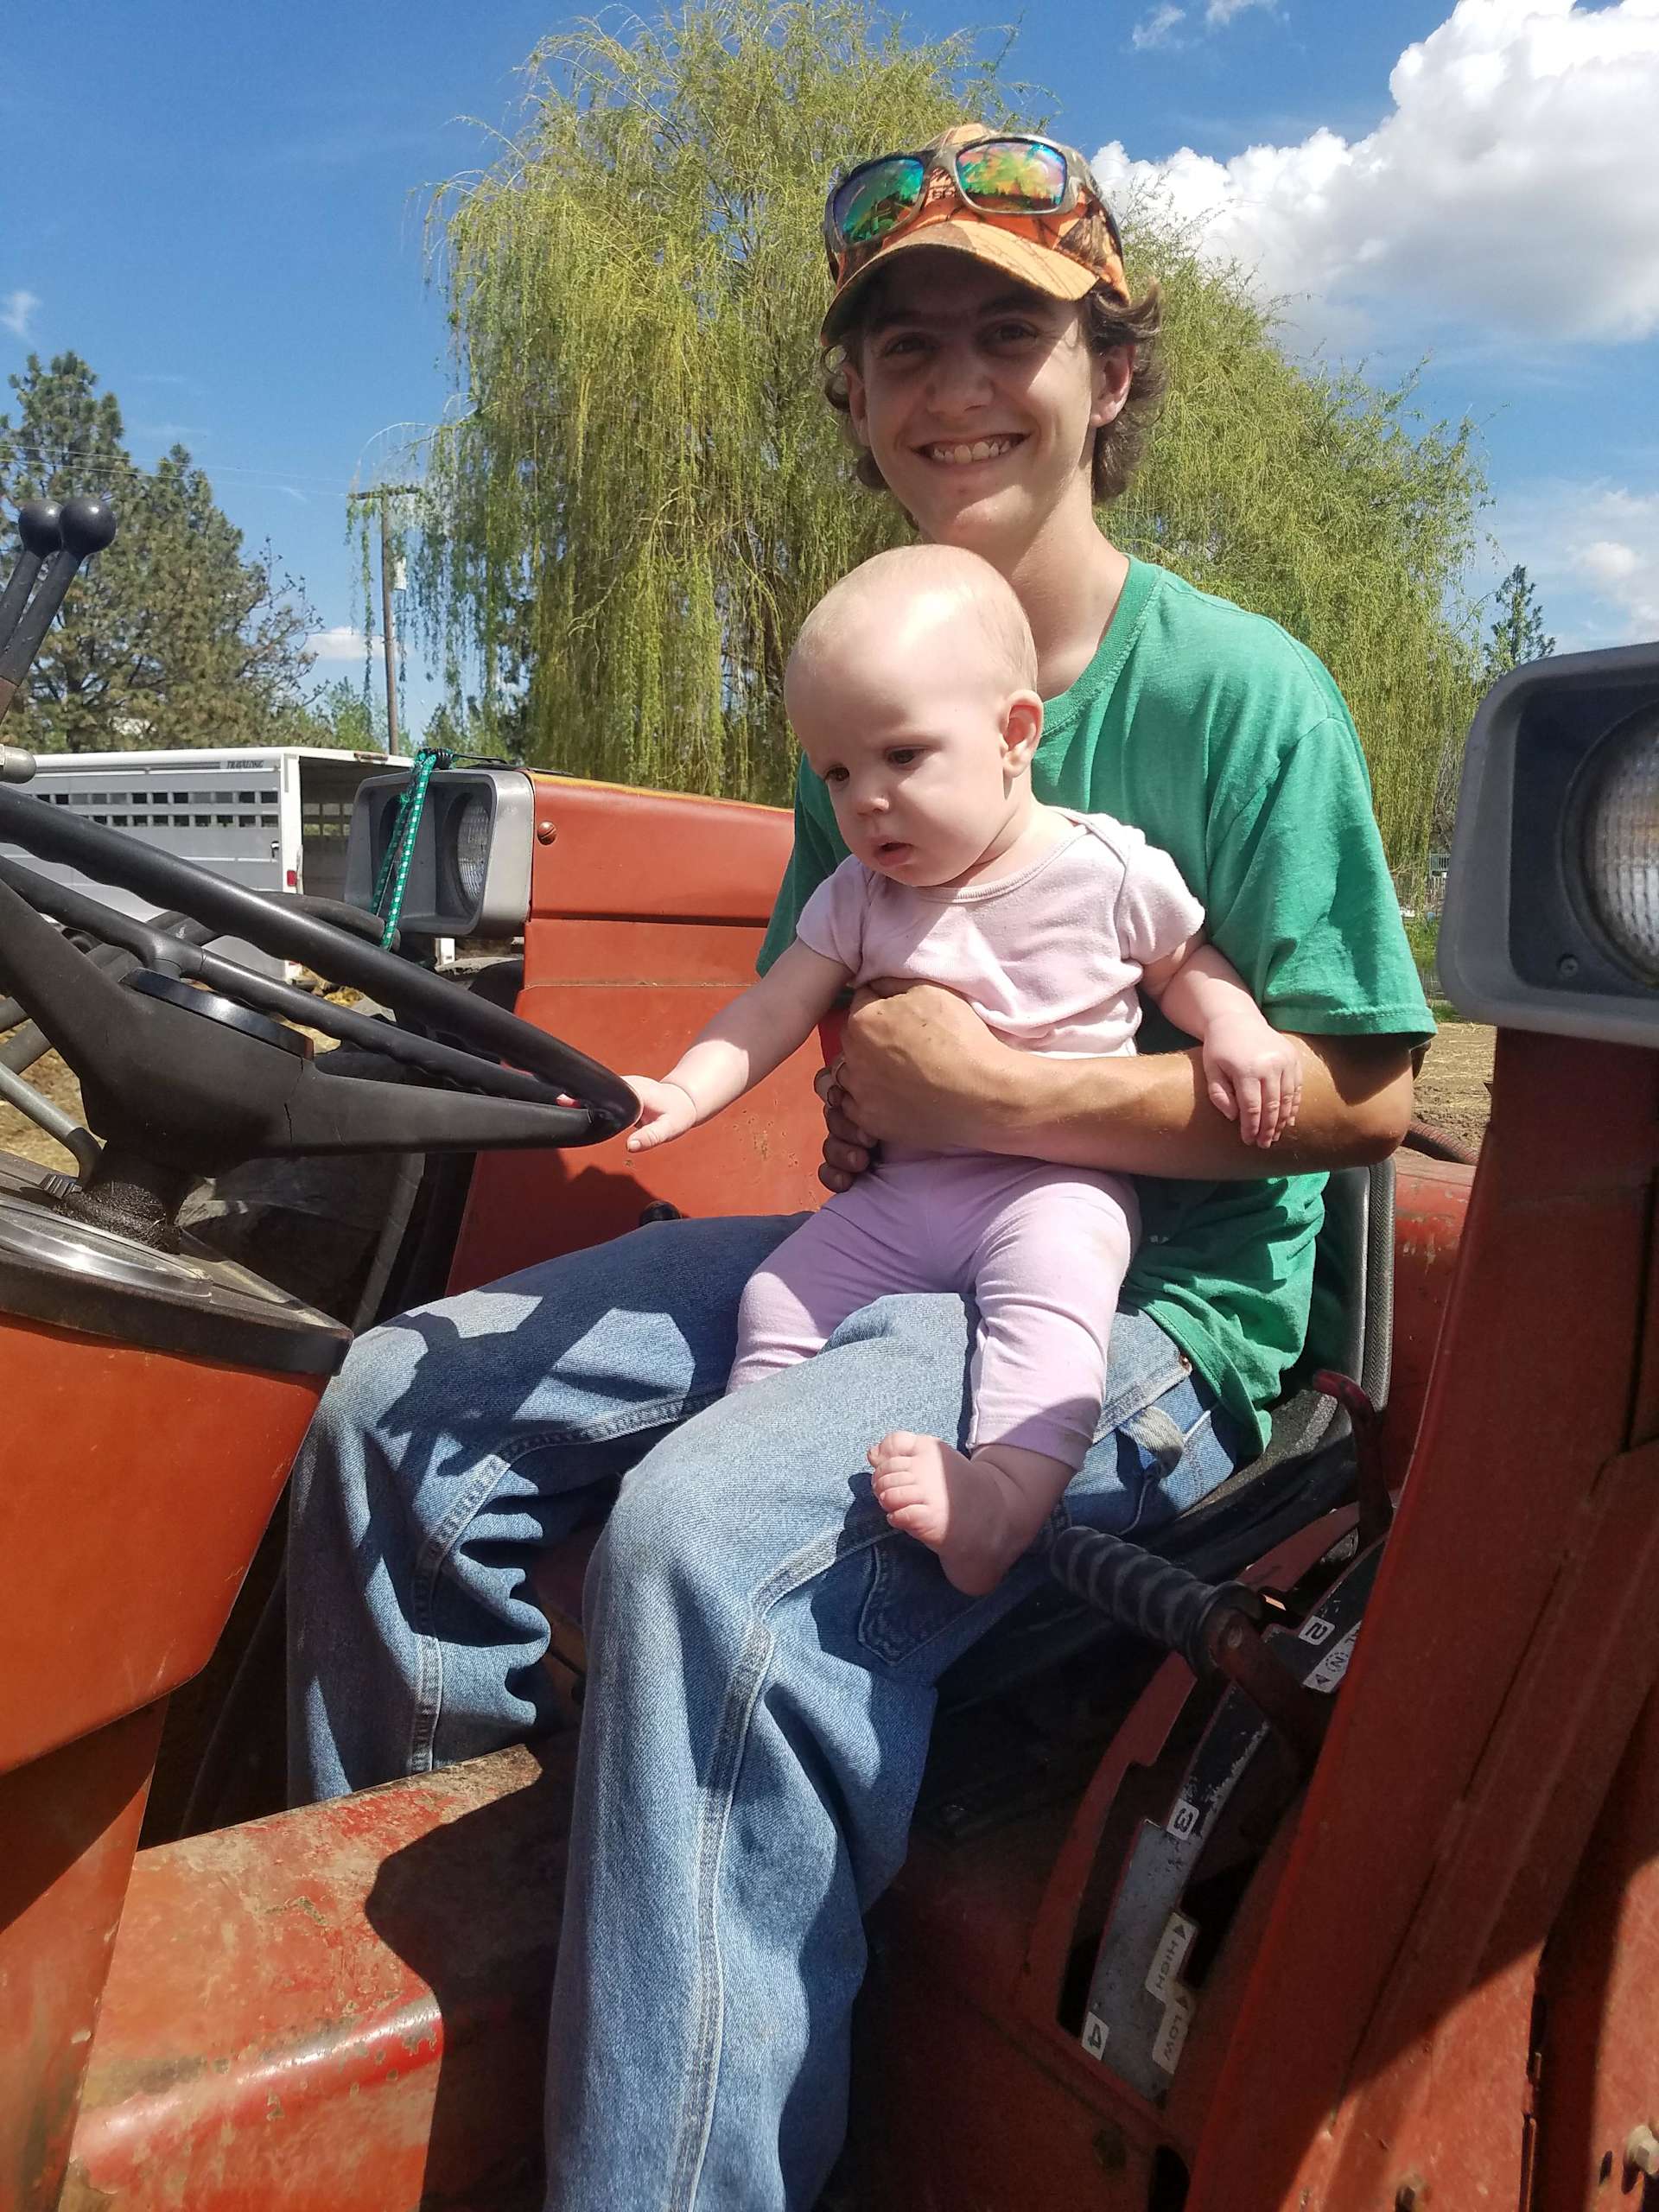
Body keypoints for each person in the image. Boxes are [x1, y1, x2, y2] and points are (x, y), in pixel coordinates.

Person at [286, 123, 1432, 2211]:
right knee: (400, 1410)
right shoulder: (863, 696)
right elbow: (833, 1018)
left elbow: (1364, 1088)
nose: (954, 386)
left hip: (1141, 1313)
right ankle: (476, 2032)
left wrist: (998, 1094)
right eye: (903, 346)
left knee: (713, 1540)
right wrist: (786, 1093)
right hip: (883, 1244)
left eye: (1013, 330)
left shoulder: (1242, 696)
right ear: (854, 399)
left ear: (1111, 370)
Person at [626, 541, 1301, 1597]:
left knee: (1052, 1313)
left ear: (1013, 736)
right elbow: (770, 1007)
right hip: (906, 1193)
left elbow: (1184, 966)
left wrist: (1239, 1031)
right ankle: (746, 1446)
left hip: (1052, 1183)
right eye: (840, 774)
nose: (868, 802)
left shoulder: (1101, 866)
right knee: (781, 1296)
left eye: (901, 756)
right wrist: (682, 1087)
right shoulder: (857, 896)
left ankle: (1001, 1499)